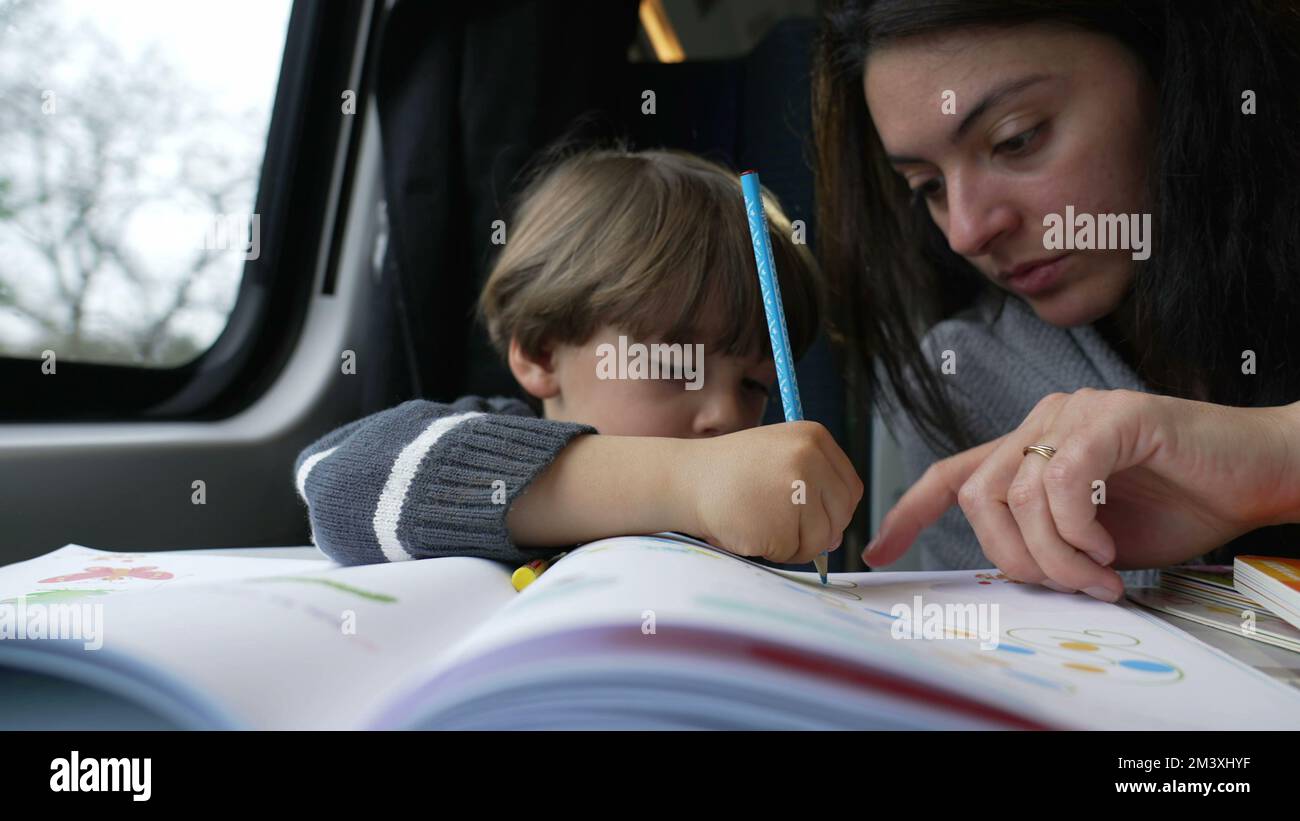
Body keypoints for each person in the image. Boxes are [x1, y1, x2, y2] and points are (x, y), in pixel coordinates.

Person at [812, 0, 1300, 599]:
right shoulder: (972, 381)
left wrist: (1277, 458)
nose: (965, 231)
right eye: (928, 186)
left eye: (1016, 140)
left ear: (1169, 65)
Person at [293, 146, 862, 568]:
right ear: (543, 353)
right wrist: (686, 480)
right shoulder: (478, 440)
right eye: (673, 365)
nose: (724, 417)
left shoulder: (749, 522)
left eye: (753, 386)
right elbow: (337, 480)